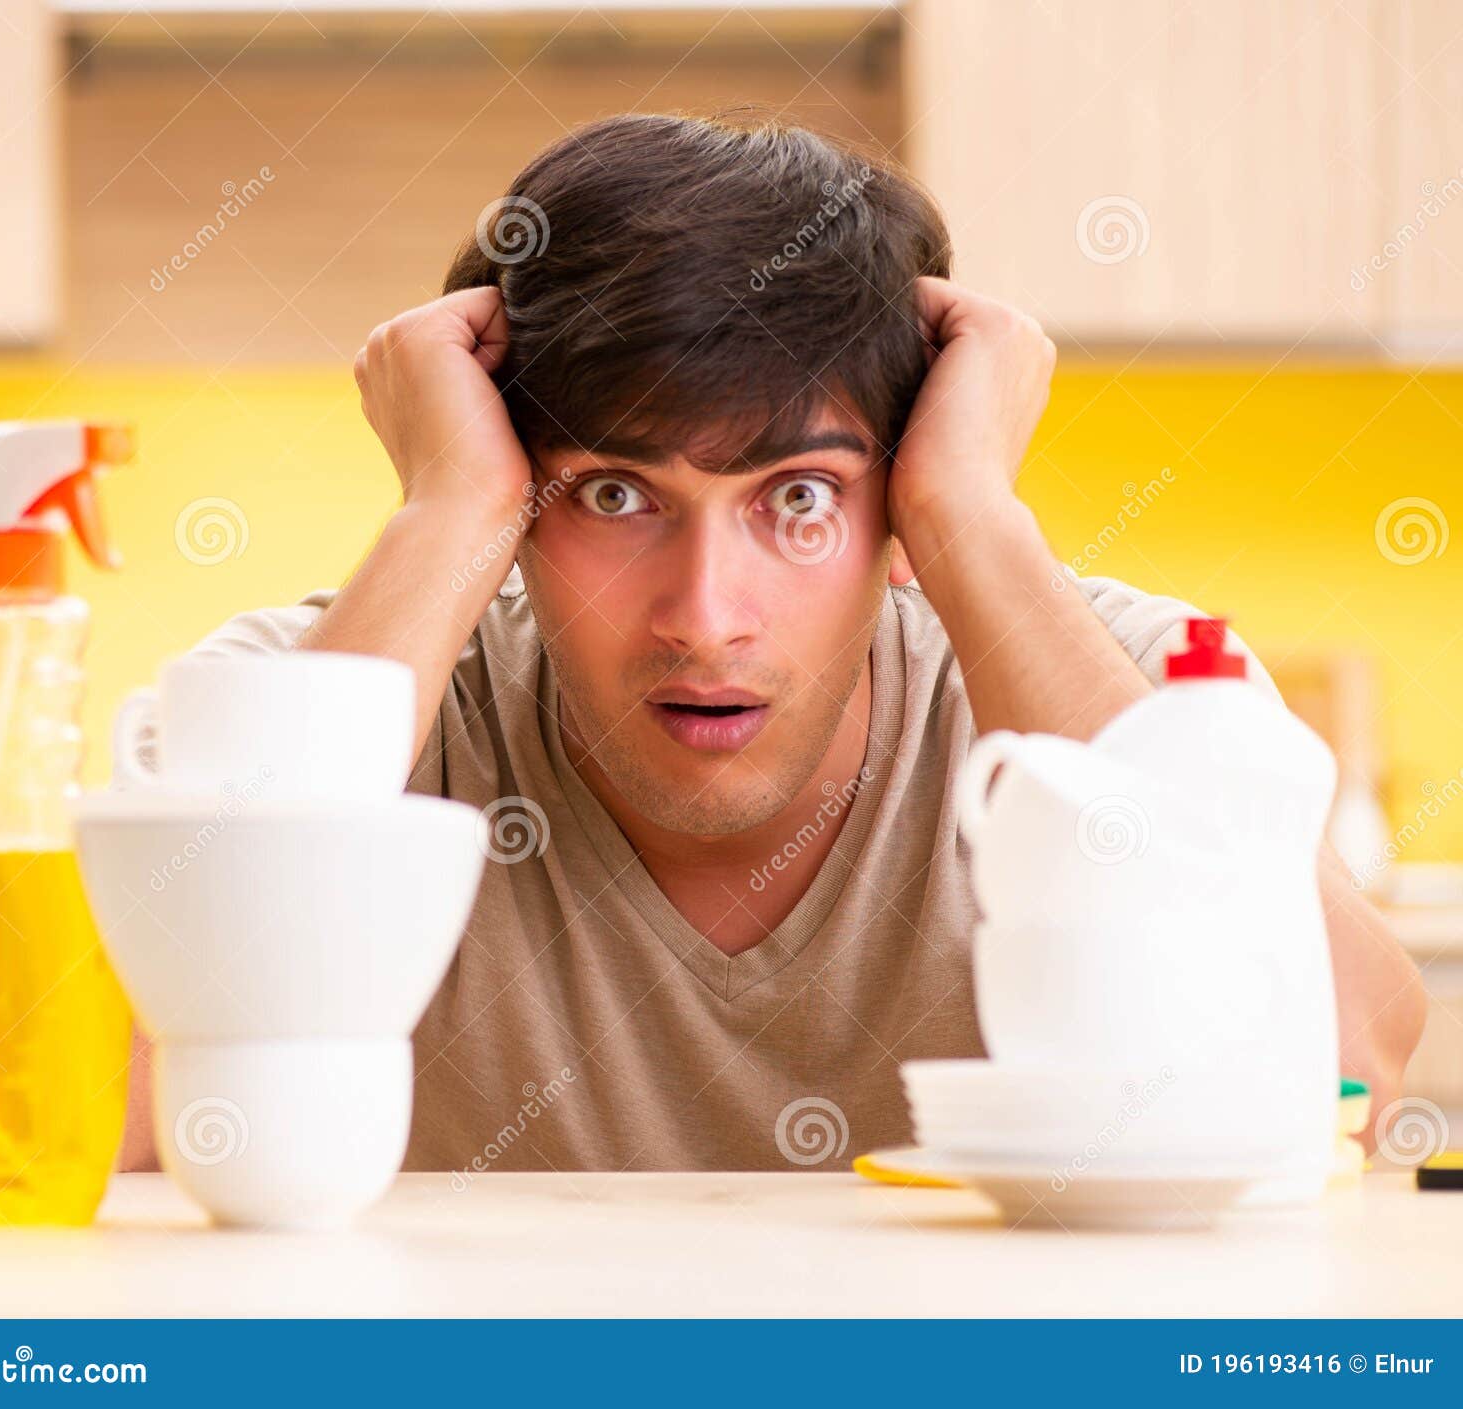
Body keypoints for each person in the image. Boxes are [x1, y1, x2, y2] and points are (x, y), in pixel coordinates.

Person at [119, 112, 1424, 1174]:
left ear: (899, 498)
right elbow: (106, 1117)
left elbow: (1350, 1064)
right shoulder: (320, 695)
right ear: (518, 504)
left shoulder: (1128, 688)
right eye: (614, 495)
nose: (705, 615)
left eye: (798, 496)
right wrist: (444, 512)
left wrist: (972, 518)